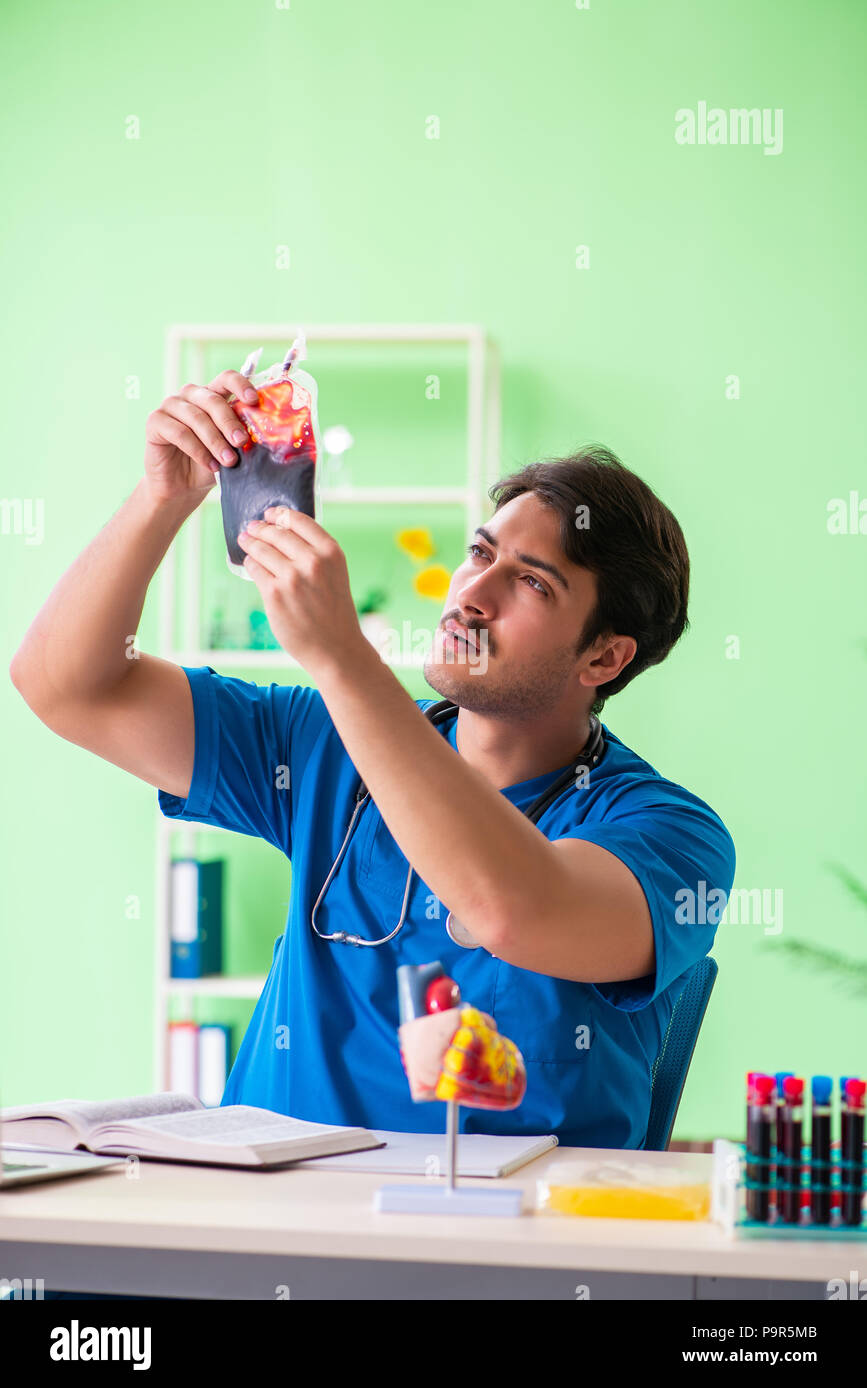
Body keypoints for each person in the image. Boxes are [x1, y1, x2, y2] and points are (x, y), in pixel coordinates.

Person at [10, 368, 736, 1156]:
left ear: (603, 657)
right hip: (268, 1210)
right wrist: (162, 499)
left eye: (531, 582)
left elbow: (513, 910)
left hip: (500, 1230)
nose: (472, 594)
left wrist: (342, 656)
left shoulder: (672, 837)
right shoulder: (321, 742)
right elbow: (66, 686)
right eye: (479, 553)